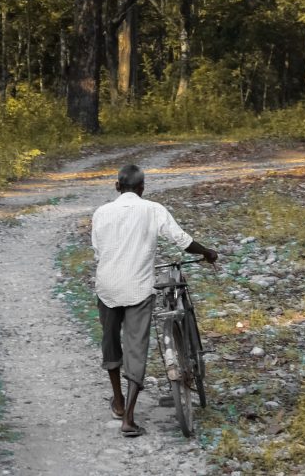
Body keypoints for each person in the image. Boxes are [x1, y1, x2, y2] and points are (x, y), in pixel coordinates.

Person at [91, 164, 218, 437]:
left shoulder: (101, 213)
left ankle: (118, 401)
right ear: (142, 188)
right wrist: (207, 252)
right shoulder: (153, 209)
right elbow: (182, 241)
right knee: (136, 347)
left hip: (106, 287)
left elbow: (98, 252)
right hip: (138, 288)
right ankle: (129, 418)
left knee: (110, 343)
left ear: (117, 187)